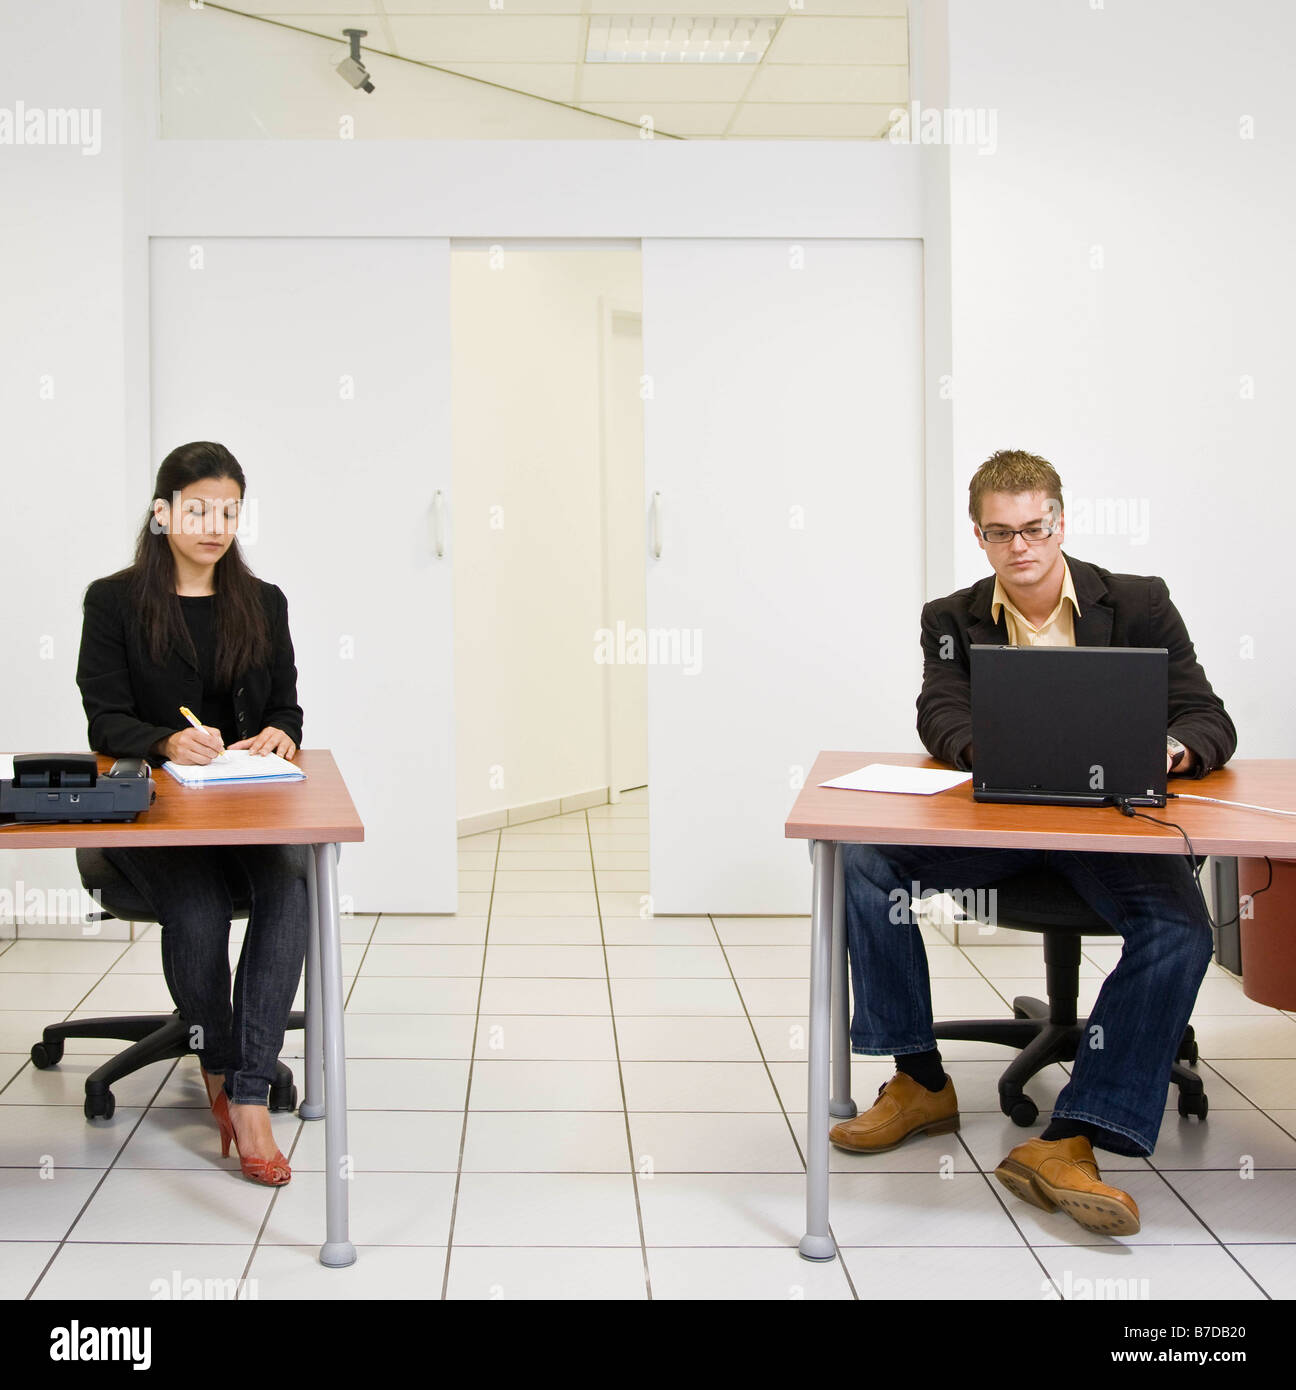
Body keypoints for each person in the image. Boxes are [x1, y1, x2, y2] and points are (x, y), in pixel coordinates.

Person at [829, 449, 1236, 1236]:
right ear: (979, 536)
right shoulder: (952, 617)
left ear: (1060, 522)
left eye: (1035, 528)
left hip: (1112, 828)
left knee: (1182, 930)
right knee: (862, 858)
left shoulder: (1141, 604)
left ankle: (1070, 1138)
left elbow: (1208, 717)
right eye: (1000, 532)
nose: (1021, 547)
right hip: (1005, 824)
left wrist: (1169, 750)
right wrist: (1001, 749)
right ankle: (918, 1080)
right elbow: (939, 712)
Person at [76, 441, 309, 1186]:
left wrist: (282, 732)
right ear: (162, 512)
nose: (216, 525)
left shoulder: (262, 600)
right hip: (157, 810)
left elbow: (284, 704)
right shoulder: (113, 601)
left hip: (243, 803)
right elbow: (105, 721)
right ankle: (218, 1066)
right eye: (200, 508)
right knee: (202, 908)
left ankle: (247, 1096)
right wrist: (167, 739)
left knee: (289, 886)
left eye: (230, 511)